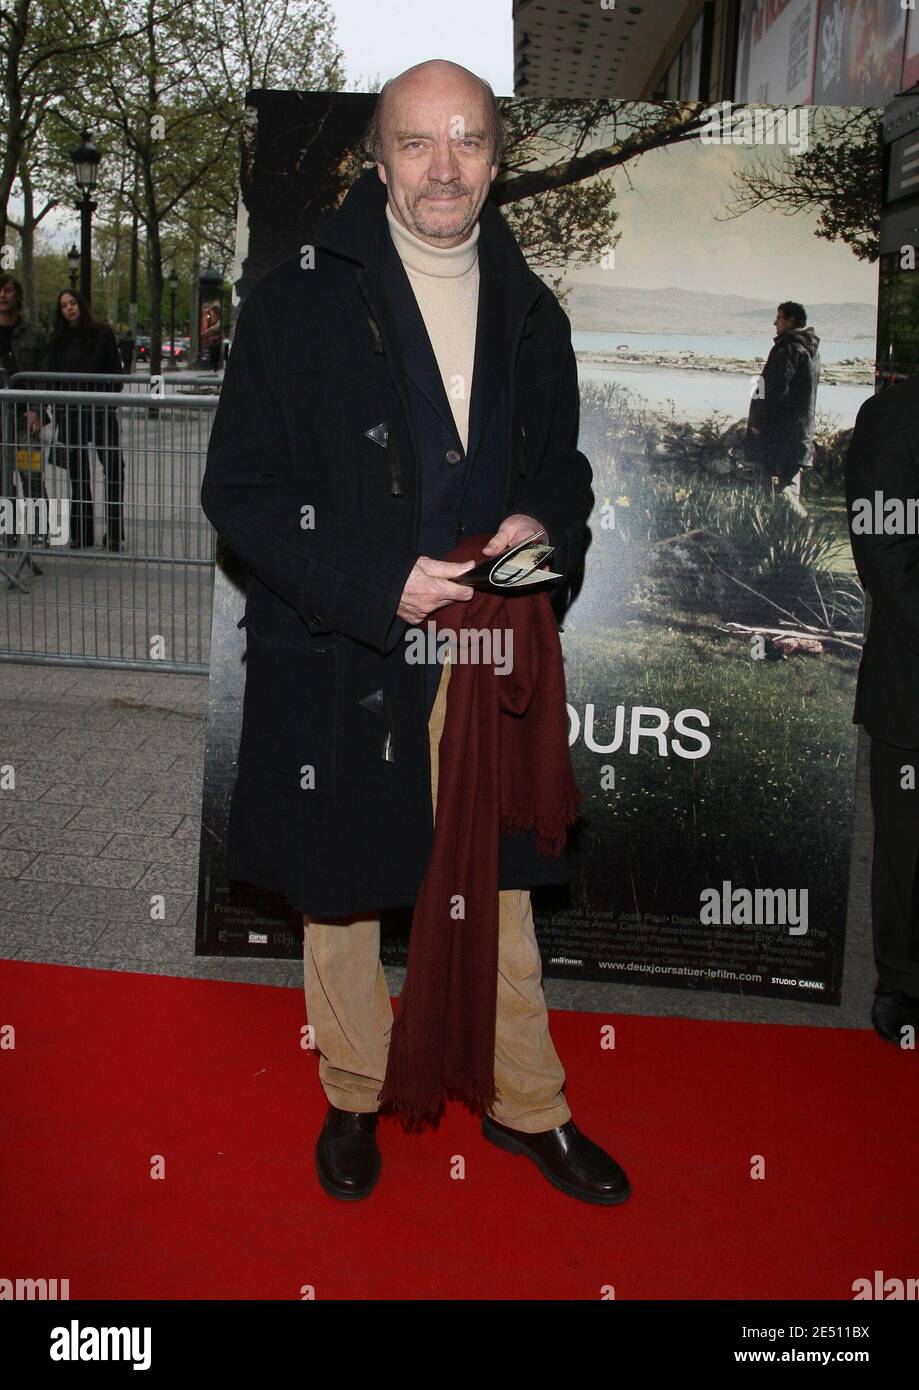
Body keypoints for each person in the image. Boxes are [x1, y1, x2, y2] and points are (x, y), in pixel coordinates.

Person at [201, 59, 630, 1206]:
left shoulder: (529, 305)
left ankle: (526, 1102)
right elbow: (240, 492)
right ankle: (351, 1088)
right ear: (378, 158)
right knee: (338, 892)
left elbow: (562, 467)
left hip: (486, 646)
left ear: (497, 156)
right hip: (343, 644)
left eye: (469, 142)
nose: (444, 168)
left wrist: (545, 519)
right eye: (417, 143)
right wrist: (373, 581)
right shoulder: (296, 294)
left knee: (496, 887)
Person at [845, 375, 919, 1044]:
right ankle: (904, 982)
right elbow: (886, 560)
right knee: (908, 851)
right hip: (912, 683)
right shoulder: (894, 417)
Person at [45, 288, 126, 550]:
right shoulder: (57, 340)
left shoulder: (102, 333)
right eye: (64, 305)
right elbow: (52, 377)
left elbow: (116, 371)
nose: (69, 308)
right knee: (79, 475)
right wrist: (58, 411)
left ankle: (113, 533)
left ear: (81, 305)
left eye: (72, 303)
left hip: (101, 410)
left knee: (114, 468)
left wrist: (108, 397)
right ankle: (82, 532)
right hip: (72, 413)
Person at [746, 301, 821, 515]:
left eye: (778, 318)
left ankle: (803, 527)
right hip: (797, 435)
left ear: (790, 321)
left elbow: (775, 391)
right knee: (788, 489)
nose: (775, 323)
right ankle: (792, 540)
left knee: (781, 492)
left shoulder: (789, 349)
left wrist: (758, 422)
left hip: (780, 436)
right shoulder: (809, 350)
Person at [0, 271, 50, 546]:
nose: (2, 295)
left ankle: (39, 529)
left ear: (17, 295)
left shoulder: (35, 334)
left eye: (7, 290)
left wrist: (37, 410)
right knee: (2, 479)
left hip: (23, 419)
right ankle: (7, 532)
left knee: (30, 475)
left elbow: (43, 376)